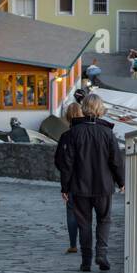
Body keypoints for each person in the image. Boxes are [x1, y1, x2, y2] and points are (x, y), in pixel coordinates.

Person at [54, 93, 125, 273]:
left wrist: (65, 187)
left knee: (84, 222)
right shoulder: (107, 133)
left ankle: (86, 260)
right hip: (103, 186)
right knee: (104, 220)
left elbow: (66, 163)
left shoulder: (73, 133)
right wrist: (121, 181)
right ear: (100, 109)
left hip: (80, 186)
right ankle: (101, 254)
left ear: (84, 108)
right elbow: (116, 160)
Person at [60, 102, 84, 255]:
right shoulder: (86, 133)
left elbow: (60, 161)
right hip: (87, 178)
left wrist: (64, 186)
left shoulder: (66, 136)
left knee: (71, 212)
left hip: (72, 180)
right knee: (86, 212)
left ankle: (73, 244)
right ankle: (86, 243)